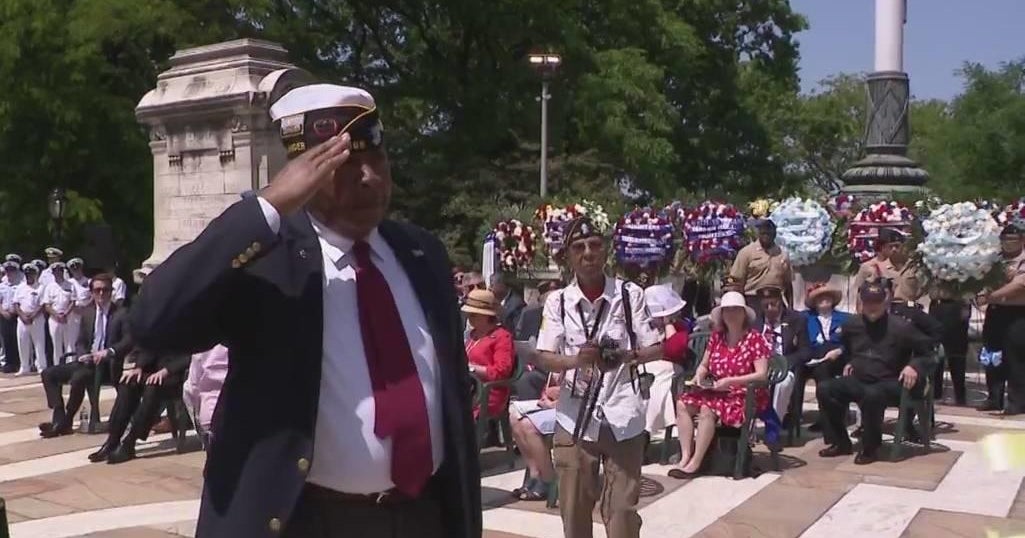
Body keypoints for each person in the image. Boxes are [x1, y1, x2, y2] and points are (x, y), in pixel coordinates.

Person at [129, 74, 481, 538]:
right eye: (345, 164)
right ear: (302, 170)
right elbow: (154, 322)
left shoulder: (421, 253)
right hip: (312, 519)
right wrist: (268, 206)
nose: (370, 178)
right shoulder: (266, 262)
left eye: (377, 156)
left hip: (424, 515)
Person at [534, 216, 664, 538]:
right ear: (568, 256)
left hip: (623, 415)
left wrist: (627, 356)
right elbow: (544, 356)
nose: (588, 253)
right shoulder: (558, 302)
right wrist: (576, 360)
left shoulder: (630, 295)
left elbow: (656, 348)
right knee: (574, 517)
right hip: (574, 418)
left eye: (594, 245)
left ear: (605, 251)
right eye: (579, 247)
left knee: (622, 516)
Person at [816, 280, 935, 464]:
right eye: (868, 302)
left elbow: (929, 352)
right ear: (862, 302)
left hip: (891, 381)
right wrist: (847, 360)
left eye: (876, 302)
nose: (872, 307)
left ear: (884, 302)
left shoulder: (901, 327)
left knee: (872, 395)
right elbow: (848, 348)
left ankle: (871, 447)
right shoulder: (852, 325)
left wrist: (914, 366)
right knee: (826, 389)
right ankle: (840, 442)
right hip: (861, 378)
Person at [670, 291, 771, 478]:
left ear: (744, 314)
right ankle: (685, 456)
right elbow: (704, 365)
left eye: (735, 310)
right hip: (716, 390)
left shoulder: (754, 339)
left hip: (743, 394)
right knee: (682, 403)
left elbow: (761, 374)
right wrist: (699, 376)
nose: (731, 314)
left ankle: (696, 463)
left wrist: (730, 381)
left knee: (708, 408)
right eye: (727, 310)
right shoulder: (717, 337)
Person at [40, 273, 132, 437]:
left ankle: (65, 422)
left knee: (78, 378)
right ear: (92, 292)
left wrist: (108, 352)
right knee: (48, 374)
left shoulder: (122, 313)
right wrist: (83, 354)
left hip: (107, 364)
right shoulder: (88, 313)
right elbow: (81, 341)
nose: (101, 294)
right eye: (97, 290)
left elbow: (128, 341)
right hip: (86, 361)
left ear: (111, 291)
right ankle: (59, 415)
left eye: (105, 290)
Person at [979, 224, 1025, 412]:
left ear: (1022, 241)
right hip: (996, 312)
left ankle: (1017, 401)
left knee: (1016, 357)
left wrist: (990, 296)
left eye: (1013, 240)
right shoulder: (994, 259)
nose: (1008, 244)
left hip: (1018, 313)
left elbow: (1020, 286)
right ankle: (994, 397)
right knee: (991, 354)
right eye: (1005, 240)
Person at [753, 286, 809, 423]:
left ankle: (774, 424)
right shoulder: (754, 322)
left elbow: (806, 351)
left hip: (784, 365)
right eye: (766, 305)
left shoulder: (796, 320)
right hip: (758, 367)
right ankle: (748, 427)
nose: (771, 308)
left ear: (780, 301)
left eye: (774, 303)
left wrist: (785, 362)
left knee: (784, 382)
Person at [643, 284, 691, 435]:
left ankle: (651, 428)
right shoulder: (643, 327)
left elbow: (675, 350)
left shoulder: (680, 327)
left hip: (670, 367)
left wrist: (668, 323)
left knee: (660, 385)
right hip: (644, 367)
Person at [508, 372, 561, 501]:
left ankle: (548, 479)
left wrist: (553, 400)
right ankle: (535, 474)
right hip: (551, 402)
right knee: (514, 416)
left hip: (567, 409)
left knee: (528, 425)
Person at [463, 288, 515, 419]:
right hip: (469, 389)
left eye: (474, 314)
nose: (469, 318)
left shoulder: (502, 337)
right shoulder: (472, 335)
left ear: (487, 316)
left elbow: (501, 371)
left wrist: (471, 368)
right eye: (468, 314)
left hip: (488, 392)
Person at [729, 220, 793, 310]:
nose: (766, 236)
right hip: (752, 300)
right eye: (763, 233)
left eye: (769, 233)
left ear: (774, 234)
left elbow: (788, 284)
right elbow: (737, 281)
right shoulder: (746, 252)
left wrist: (790, 308)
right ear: (759, 233)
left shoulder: (782, 254)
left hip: (776, 300)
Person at [13, 263, 46, 375]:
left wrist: (33, 315)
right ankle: (24, 367)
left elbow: (42, 304)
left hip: (37, 319)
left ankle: (41, 367)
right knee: (22, 343)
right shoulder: (20, 287)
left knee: (39, 343)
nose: (29, 276)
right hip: (22, 319)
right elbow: (16, 304)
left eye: (31, 274)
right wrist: (22, 316)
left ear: (35, 274)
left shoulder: (41, 287)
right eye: (27, 274)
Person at [42, 262, 76, 361]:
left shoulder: (70, 285)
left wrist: (65, 314)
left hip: (68, 317)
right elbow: (47, 305)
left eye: (59, 271)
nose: (57, 273)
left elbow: (73, 301)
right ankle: (58, 366)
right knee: (56, 345)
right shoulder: (49, 287)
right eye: (55, 272)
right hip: (54, 319)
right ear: (53, 273)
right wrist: (57, 315)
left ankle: (70, 365)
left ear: (62, 272)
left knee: (69, 343)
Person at [0, 261, 22, 373]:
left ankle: (17, 362)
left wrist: (14, 310)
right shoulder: (1, 286)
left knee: (16, 339)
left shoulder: (19, 285)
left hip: (16, 315)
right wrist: (3, 312)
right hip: (4, 315)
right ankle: (9, 363)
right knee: (6, 340)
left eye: (12, 271)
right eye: (7, 271)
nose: (9, 273)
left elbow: (20, 300)